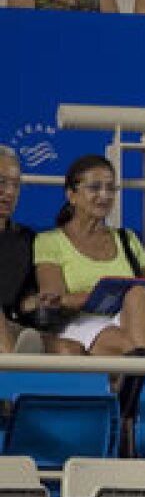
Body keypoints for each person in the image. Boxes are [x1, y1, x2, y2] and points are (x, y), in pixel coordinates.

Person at [33, 155, 145, 358]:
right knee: (124, 343)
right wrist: (100, 294)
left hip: (127, 320)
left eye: (110, 188)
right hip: (79, 322)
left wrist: (126, 295)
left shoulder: (127, 238)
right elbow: (55, 300)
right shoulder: (50, 241)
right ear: (72, 195)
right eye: (95, 188)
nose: (105, 195)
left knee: (139, 292)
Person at [0, 146, 41, 354]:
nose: (8, 192)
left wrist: (38, 301)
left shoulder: (28, 240)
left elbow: (26, 301)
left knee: (66, 347)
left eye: (15, 185)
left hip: (11, 324)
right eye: (2, 183)